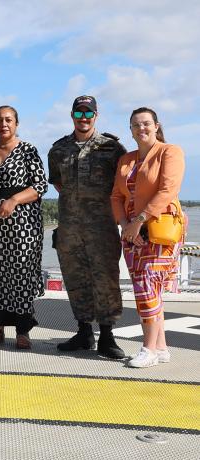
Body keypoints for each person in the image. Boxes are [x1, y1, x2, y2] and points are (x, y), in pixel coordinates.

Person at [48, 95, 127, 359]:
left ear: (96, 115)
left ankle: (107, 335)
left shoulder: (112, 149)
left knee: (105, 280)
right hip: (70, 228)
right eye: (79, 114)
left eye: (88, 114)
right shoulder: (58, 149)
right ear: (72, 116)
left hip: (102, 227)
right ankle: (84, 332)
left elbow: (124, 185)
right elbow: (58, 184)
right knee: (76, 279)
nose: (84, 118)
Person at [111, 107, 186, 368]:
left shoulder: (170, 152)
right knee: (148, 289)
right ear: (130, 130)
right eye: (135, 125)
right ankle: (162, 347)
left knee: (146, 288)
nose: (141, 129)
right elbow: (116, 197)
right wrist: (125, 225)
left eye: (145, 124)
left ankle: (148, 349)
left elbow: (168, 189)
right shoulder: (126, 160)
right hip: (131, 234)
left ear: (156, 126)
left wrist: (139, 221)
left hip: (159, 229)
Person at [0, 106, 47, 350]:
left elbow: (40, 186)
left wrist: (14, 200)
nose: (3, 124)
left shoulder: (28, 150)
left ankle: (23, 330)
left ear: (16, 123)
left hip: (22, 224)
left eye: (8, 120)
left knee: (21, 274)